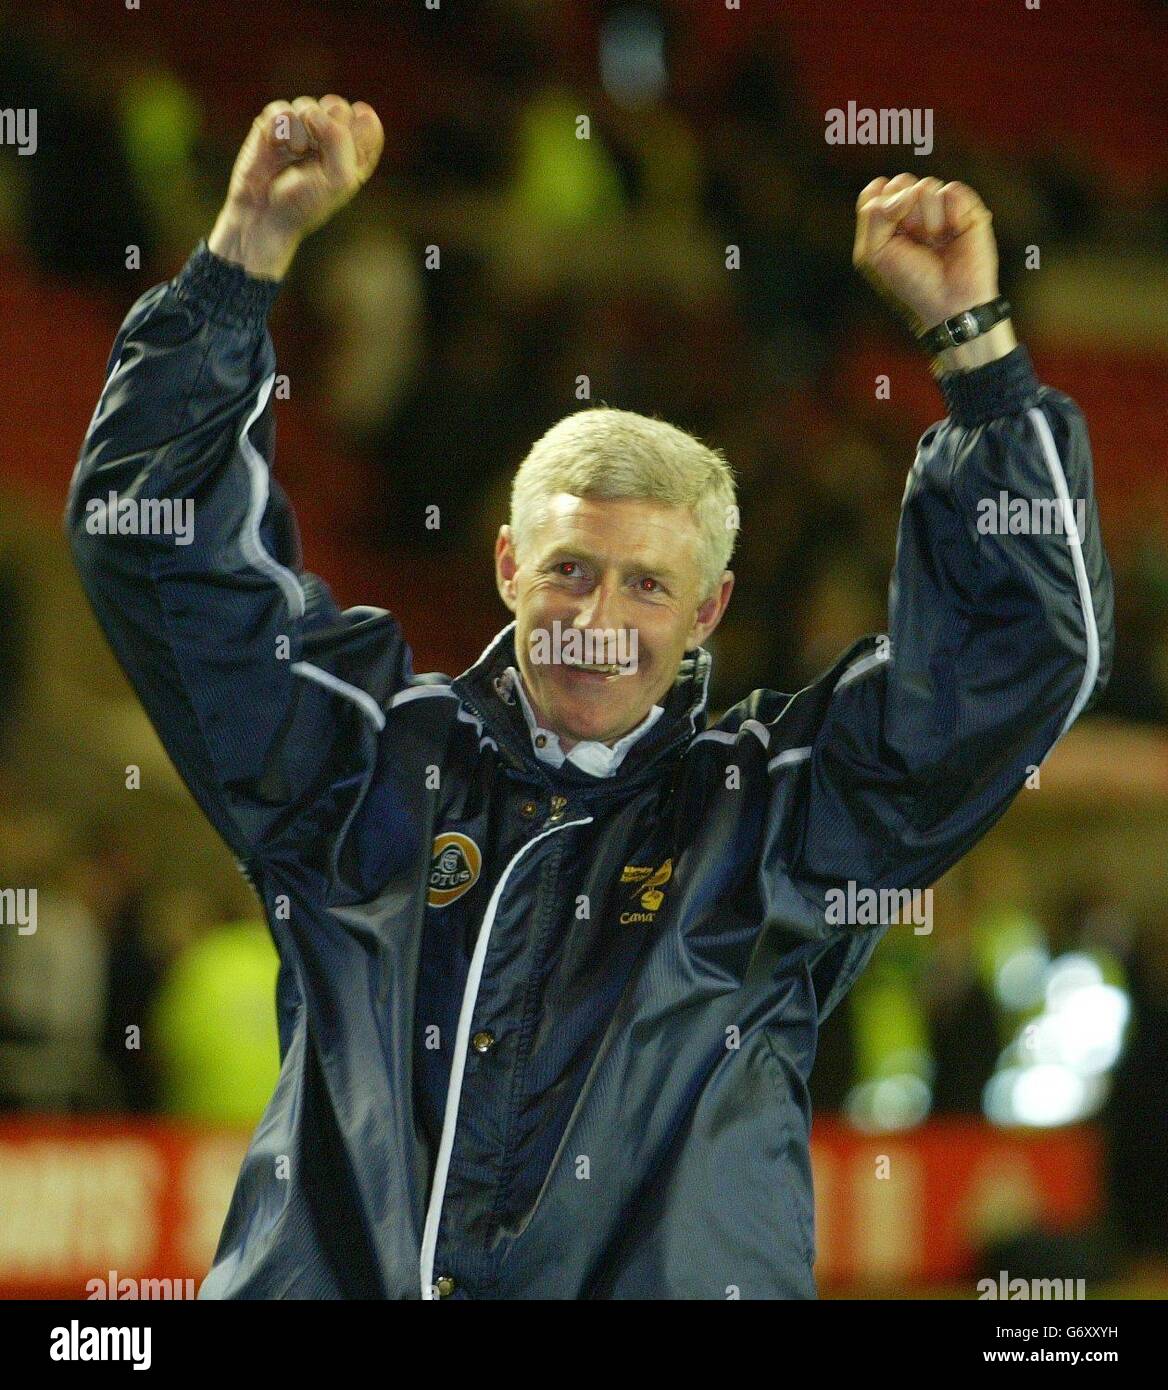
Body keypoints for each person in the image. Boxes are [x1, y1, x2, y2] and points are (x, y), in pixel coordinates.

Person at [66, 95, 1114, 1299]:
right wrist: (245, 249)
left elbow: (1034, 648)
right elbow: (149, 545)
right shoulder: (354, 766)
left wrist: (977, 354)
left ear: (709, 609)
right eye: (567, 569)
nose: (599, 621)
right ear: (508, 567)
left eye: (646, 586)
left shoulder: (784, 814)